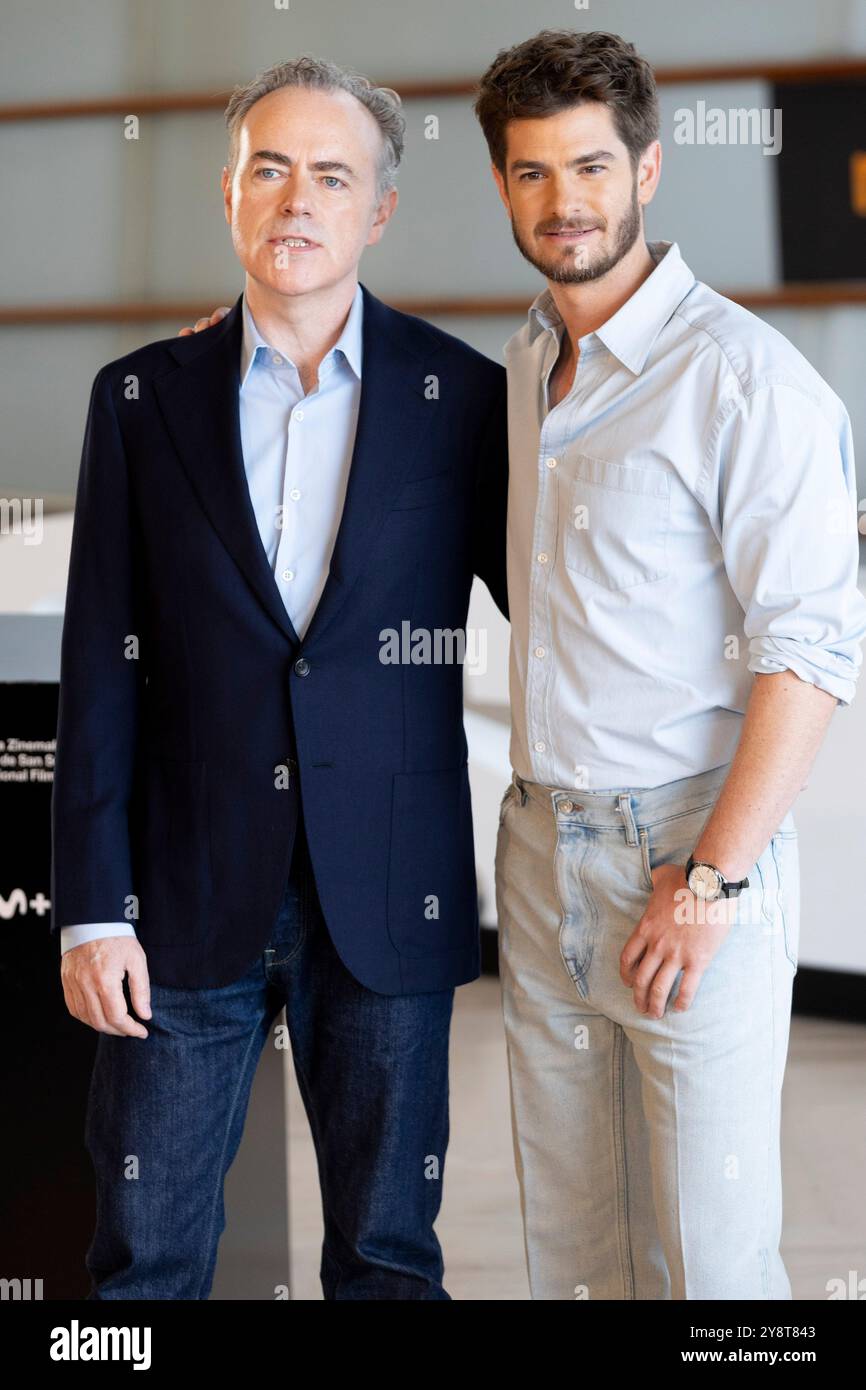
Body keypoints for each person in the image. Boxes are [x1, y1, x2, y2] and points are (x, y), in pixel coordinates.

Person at [51, 56, 508, 1301]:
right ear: (229, 191)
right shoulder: (140, 398)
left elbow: (557, 604)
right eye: (269, 167)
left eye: (331, 174)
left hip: (390, 896)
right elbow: (97, 659)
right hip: (180, 896)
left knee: (387, 1258)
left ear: (379, 210)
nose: (296, 199)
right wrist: (92, 908)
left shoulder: (464, 398)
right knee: (143, 1261)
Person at [471, 28, 866, 1299]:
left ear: (646, 170)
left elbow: (806, 655)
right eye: (531, 173)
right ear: (501, 187)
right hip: (540, 854)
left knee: (706, 1258)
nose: (562, 201)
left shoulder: (748, 383)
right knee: (574, 1254)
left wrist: (706, 880)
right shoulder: (530, 364)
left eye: (589, 166)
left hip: (688, 854)